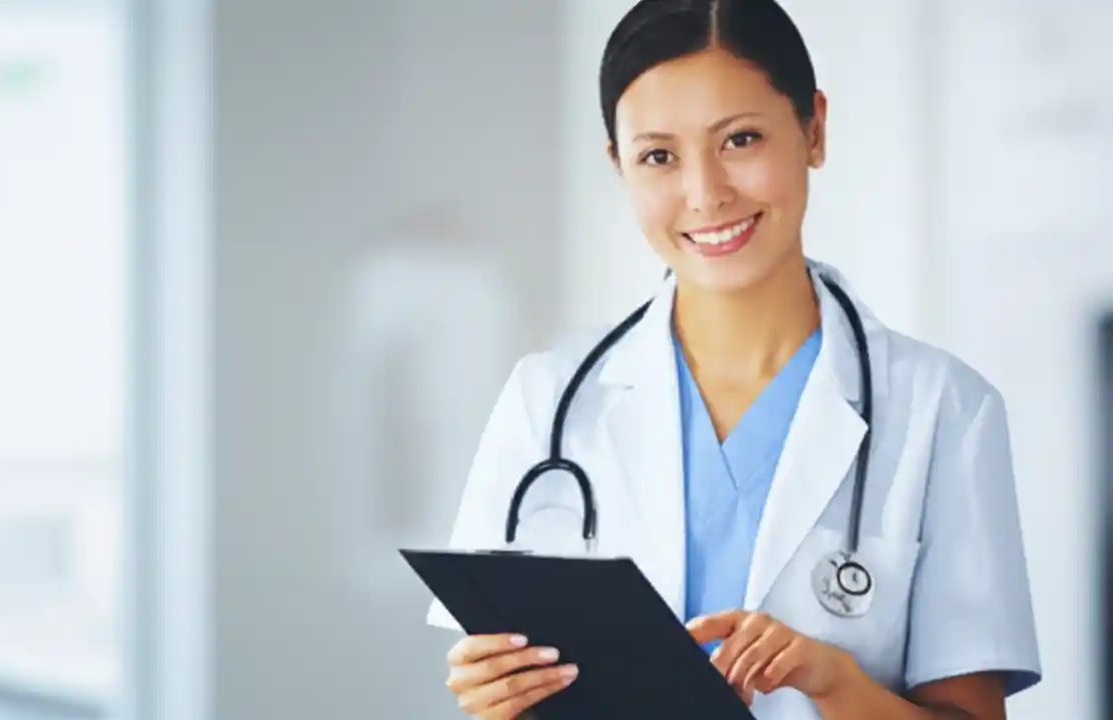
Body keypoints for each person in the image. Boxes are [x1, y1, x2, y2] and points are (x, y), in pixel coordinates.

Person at [426, 0, 1042, 718]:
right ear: (617, 164)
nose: (705, 193)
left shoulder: (944, 410)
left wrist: (835, 684)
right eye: (659, 155)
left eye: (741, 139)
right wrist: (496, 697)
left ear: (814, 127)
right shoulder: (547, 399)